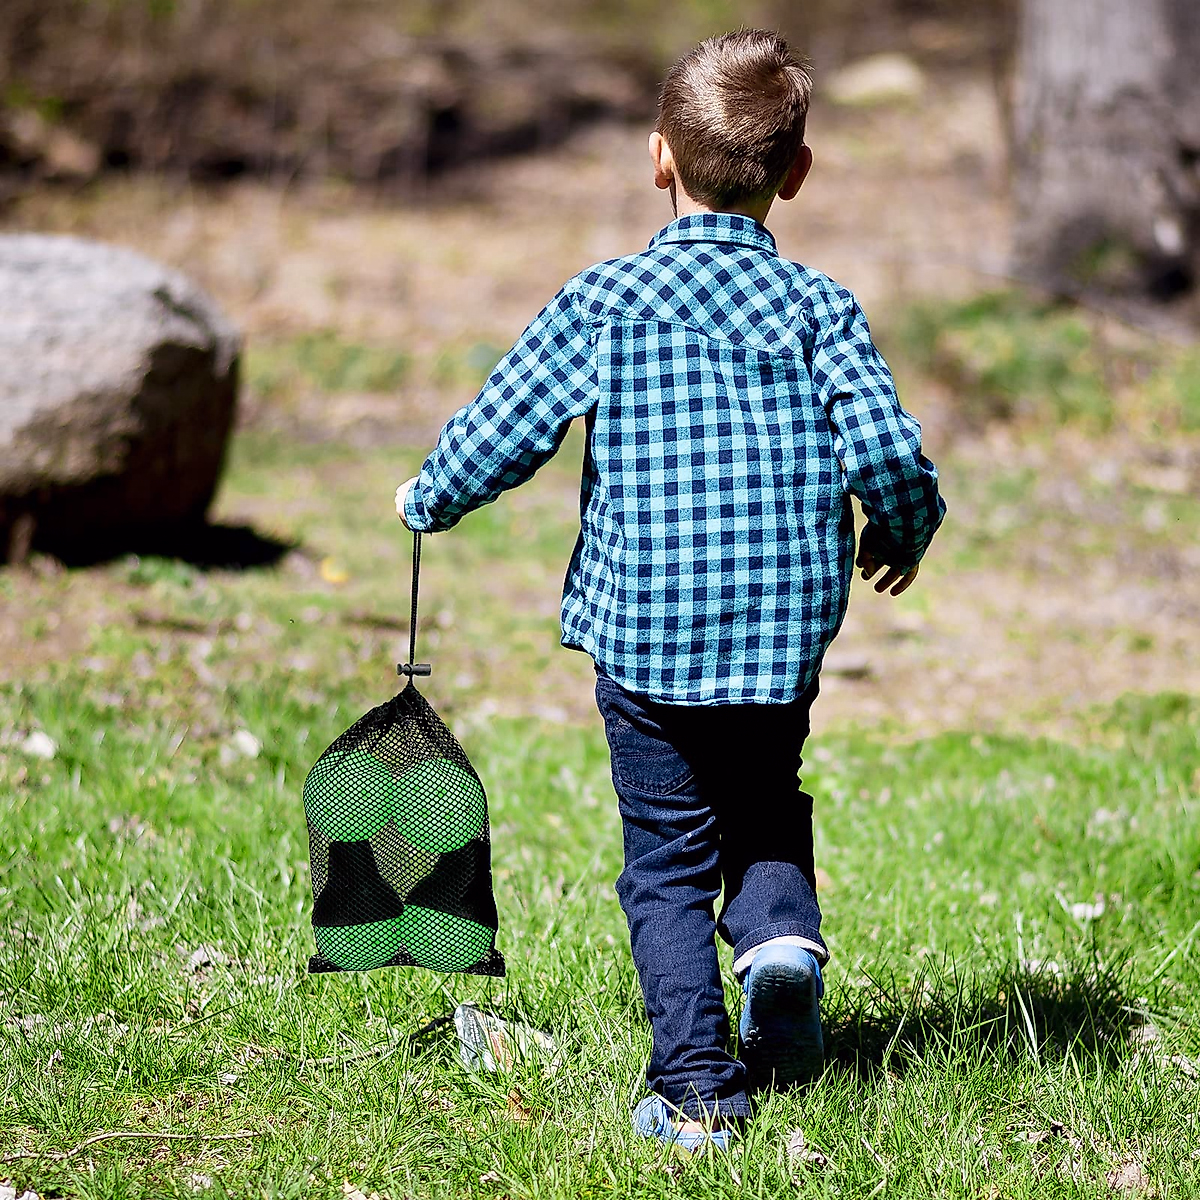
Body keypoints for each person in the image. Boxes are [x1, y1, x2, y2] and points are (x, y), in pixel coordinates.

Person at [395, 28, 945, 1151]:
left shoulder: (606, 299)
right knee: (766, 799)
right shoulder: (819, 308)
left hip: (646, 637)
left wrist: (429, 497)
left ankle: (697, 1088)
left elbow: (505, 426)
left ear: (660, 158)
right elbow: (889, 450)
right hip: (780, 631)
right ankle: (778, 946)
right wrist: (902, 526)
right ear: (795, 174)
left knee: (666, 860)